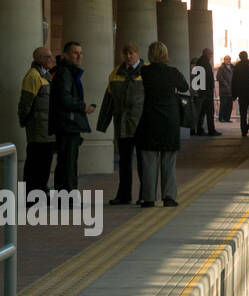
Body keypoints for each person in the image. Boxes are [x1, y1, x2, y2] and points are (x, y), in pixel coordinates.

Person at [135, 41, 187, 207]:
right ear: (165, 54)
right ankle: (169, 197)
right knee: (168, 160)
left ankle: (149, 197)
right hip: (170, 119)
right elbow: (184, 86)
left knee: (149, 160)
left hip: (150, 119)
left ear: (150, 54)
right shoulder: (172, 72)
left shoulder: (145, 71)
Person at [97, 43, 145, 205]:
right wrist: (102, 124)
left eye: (131, 53)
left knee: (143, 162)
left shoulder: (146, 72)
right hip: (122, 124)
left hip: (141, 125)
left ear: (137, 54)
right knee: (124, 162)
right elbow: (108, 101)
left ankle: (145, 194)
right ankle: (124, 195)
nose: (129, 57)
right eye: (126, 54)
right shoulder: (115, 74)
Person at [48, 41, 94, 191]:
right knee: (67, 163)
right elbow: (64, 98)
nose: (79, 56)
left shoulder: (68, 72)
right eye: (75, 53)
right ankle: (67, 197)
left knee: (68, 162)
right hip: (67, 124)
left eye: (80, 53)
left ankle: (66, 196)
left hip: (69, 123)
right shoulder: (64, 73)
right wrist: (83, 107)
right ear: (66, 55)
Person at [17, 46, 56, 196]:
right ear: (38, 59)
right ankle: (31, 194)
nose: (51, 59)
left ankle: (41, 191)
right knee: (35, 163)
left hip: (47, 128)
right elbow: (25, 103)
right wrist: (25, 121)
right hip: (38, 128)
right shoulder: (33, 76)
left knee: (45, 163)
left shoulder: (46, 75)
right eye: (47, 57)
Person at [191, 48, 219, 136]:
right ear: (208, 54)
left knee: (202, 111)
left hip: (201, 90)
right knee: (209, 111)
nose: (211, 56)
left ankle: (199, 129)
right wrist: (211, 87)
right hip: (206, 91)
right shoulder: (205, 63)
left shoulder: (200, 62)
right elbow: (208, 78)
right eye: (211, 54)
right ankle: (211, 130)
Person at [217, 54, 234, 123]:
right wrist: (225, 84)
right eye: (227, 59)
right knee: (223, 105)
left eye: (229, 59)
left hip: (231, 90)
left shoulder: (233, 67)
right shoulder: (221, 68)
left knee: (230, 105)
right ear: (224, 60)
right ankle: (221, 118)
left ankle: (227, 118)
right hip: (224, 90)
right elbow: (219, 77)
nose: (228, 60)